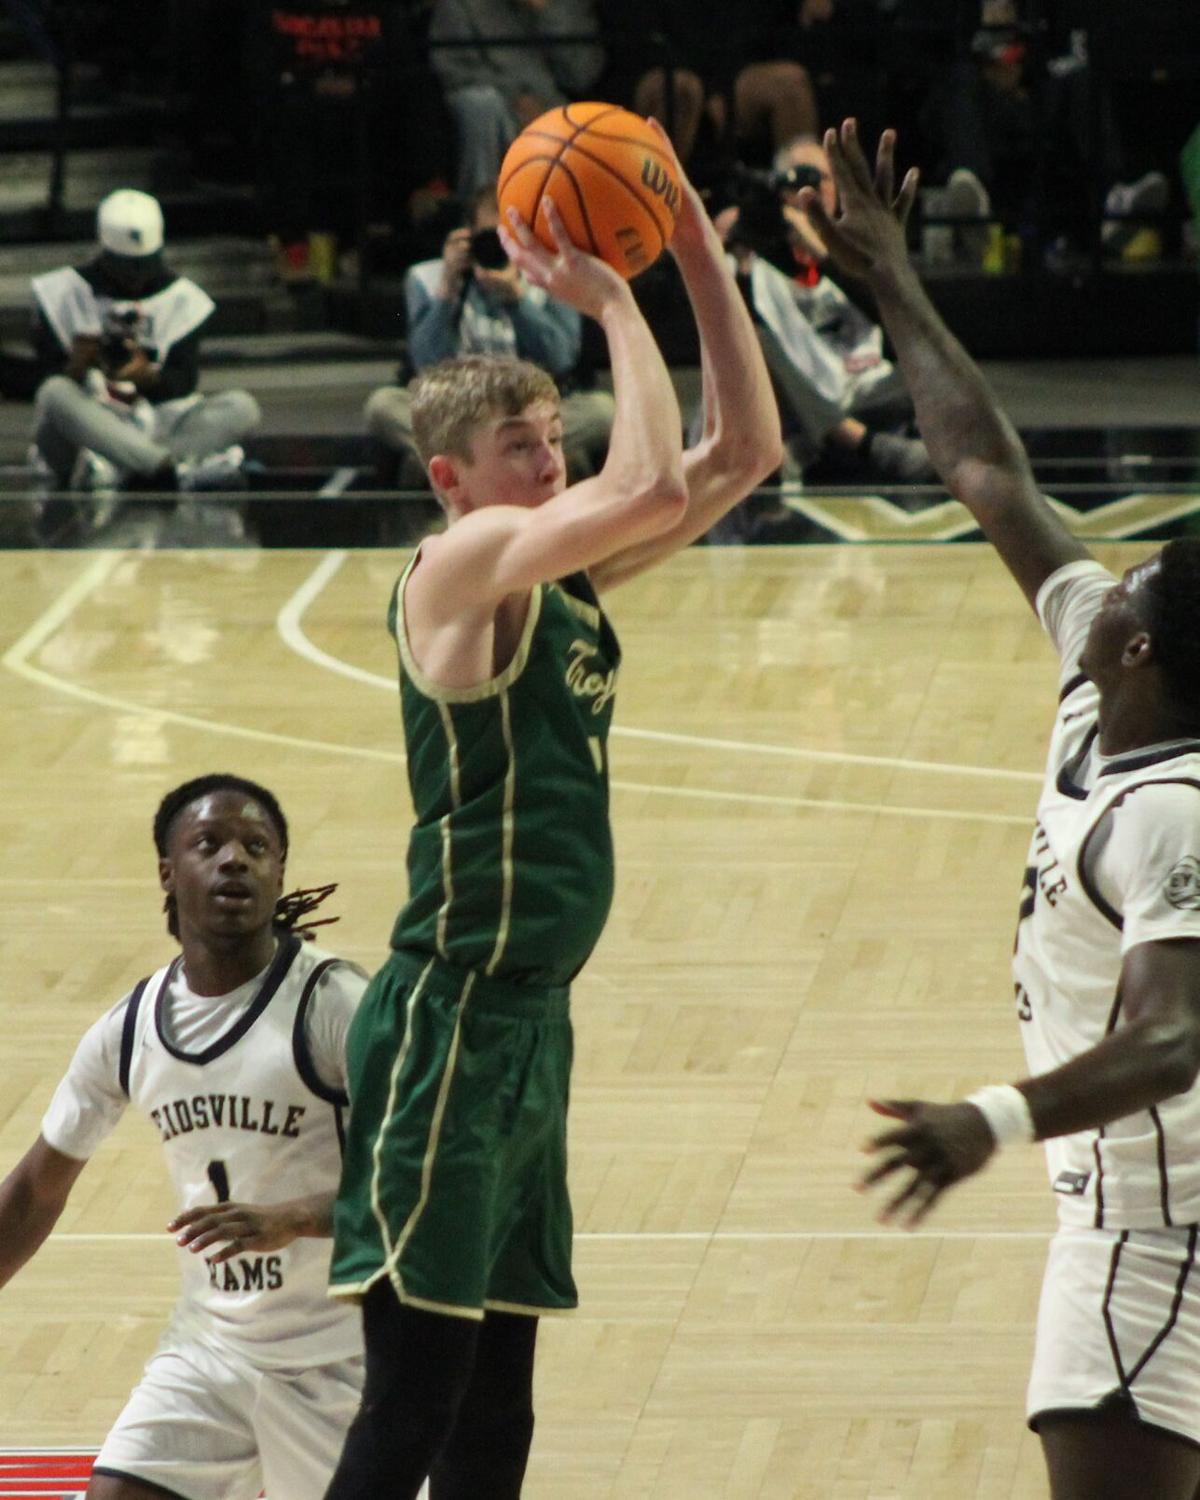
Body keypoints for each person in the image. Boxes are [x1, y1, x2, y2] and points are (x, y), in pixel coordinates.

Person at [324, 123, 780, 1500]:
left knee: (498, 1418)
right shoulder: (462, 568)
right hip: (450, 1021)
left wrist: (694, 242)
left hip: (530, 1029)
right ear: (450, 480)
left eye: (548, 440)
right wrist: (617, 300)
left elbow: (744, 449)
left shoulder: (555, 577)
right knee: (413, 1408)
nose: (545, 463)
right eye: (520, 449)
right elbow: (645, 478)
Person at [805, 119, 1200, 1500]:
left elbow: (1172, 1037)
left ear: (1144, 651)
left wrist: (991, 1117)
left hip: (1160, 1226)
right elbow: (987, 474)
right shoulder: (1106, 674)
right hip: (1137, 1200)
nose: (1108, 583)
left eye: (1135, 588)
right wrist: (895, 284)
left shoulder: (1176, 812)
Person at [0, 774, 371, 1500]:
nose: (236, 859)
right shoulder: (129, 1029)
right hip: (211, 1353)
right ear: (169, 872)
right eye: (210, 843)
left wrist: (294, 1218)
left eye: (257, 846)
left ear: (279, 873)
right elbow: (35, 1190)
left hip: (345, 1360)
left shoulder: (338, 1006)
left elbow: (421, 1184)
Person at [713, 133, 934, 498]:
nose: (813, 190)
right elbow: (725, 332)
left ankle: (817, 445)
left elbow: (900, 315)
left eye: (822, 179)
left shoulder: (863, 239)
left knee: (929, 362)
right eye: (800, 179)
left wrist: (824, 254)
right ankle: (861, 444)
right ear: (779, 188)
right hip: (809, 396)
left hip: (874, 389)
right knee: (747, 338)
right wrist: (726, 251)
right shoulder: (757, 246)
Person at [365, 184, 615, 488]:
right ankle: (507, 465)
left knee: (603, 411)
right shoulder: (427, 278)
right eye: (491, 238)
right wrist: (447, 291)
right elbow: (425, 362)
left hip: (527, 415)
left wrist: (518, 300)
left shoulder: (550, 276)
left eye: (511, 237)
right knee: (382, 406)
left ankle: (465, 468)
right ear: (467, 235)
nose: (500, 247)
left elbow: (561, 358)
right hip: (456, 416)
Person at [29, 189, 260, 505]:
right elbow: (42, 382)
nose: (135, 277)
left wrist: (149, 378)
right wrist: (77, 366)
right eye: (124, 266)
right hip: (91, 433)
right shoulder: (60, 294)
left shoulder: (184, 300)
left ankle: (132, 469)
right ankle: (165, 469)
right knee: (54, 391)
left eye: (144, 265)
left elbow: (184, 382)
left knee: (242, 406)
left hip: (158, 425)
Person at [427, 0, 605, 202]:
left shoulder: (563, 6)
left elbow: (582, 75)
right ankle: (483, 219)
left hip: (552, 107)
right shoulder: (460, 6)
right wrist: (515, 97)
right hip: (491, 106)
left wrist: (549, 12)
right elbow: (455, 72)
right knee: (483, 105)